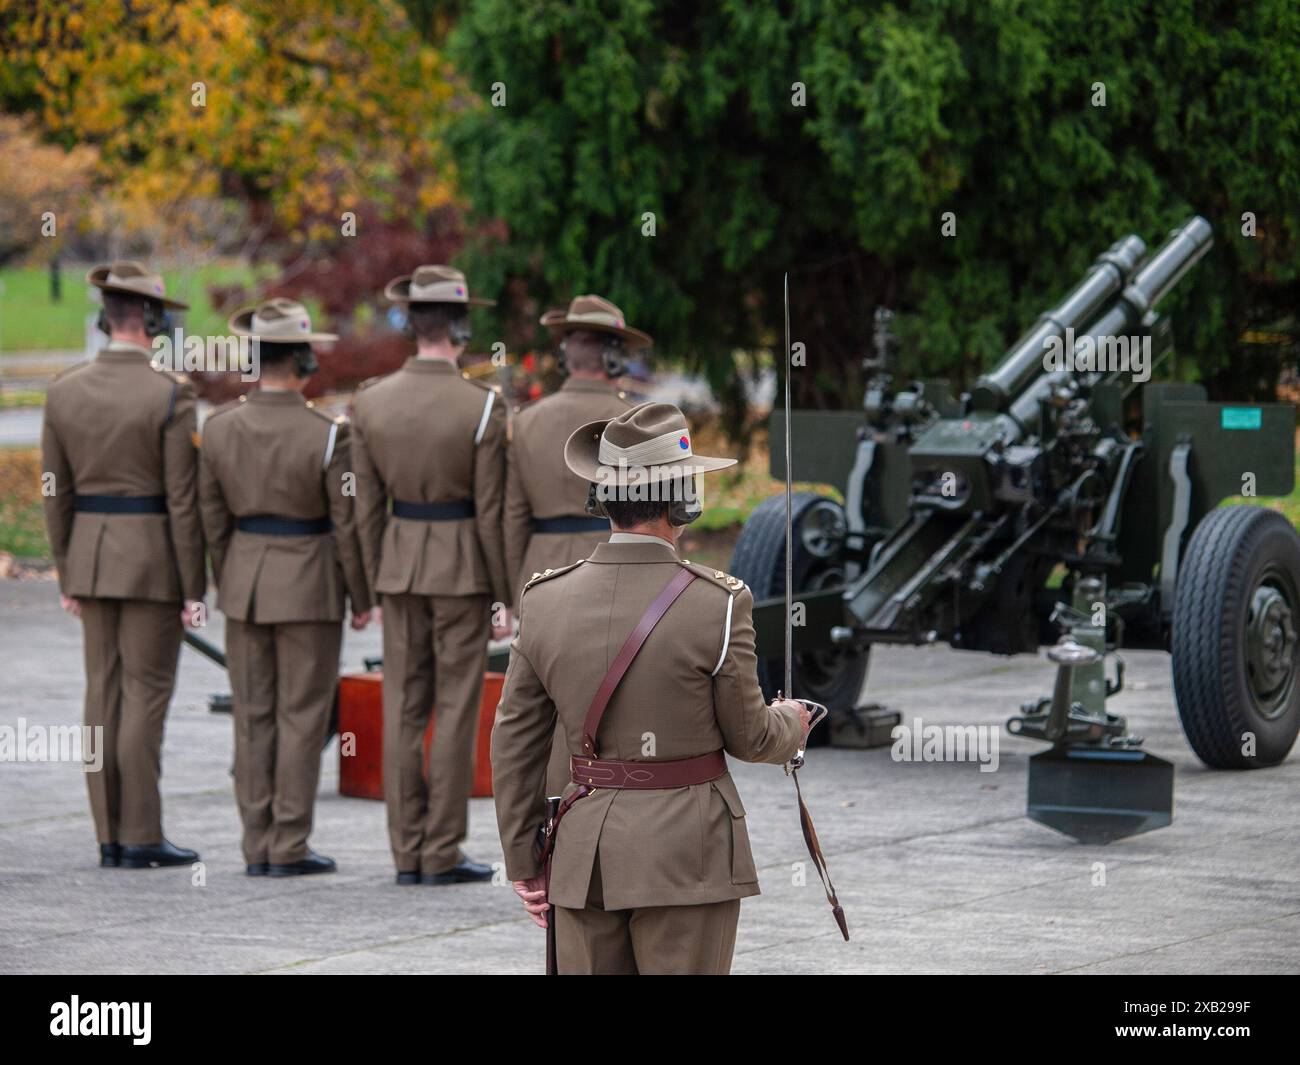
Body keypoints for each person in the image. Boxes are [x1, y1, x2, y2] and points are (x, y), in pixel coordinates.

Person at [491, 402, 810, 974]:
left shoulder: (544, 599)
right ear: (682, 498)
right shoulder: (719, 602)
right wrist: (794, 724)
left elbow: (514, 739)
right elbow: (751, 736)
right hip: (687, 857)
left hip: (582, 856)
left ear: (602, 498)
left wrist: (523, 857)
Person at [198, 298, 372, 877]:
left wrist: (230, 576)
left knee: (253, 715)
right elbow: (346, 524)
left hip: (246, 581)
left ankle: (256, 844)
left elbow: (212, 520)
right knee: (302, 715)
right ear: (301, 360)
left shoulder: (219, 427)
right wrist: (361, 595)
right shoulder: (327, 434)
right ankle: (288, 843)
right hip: (311, 587)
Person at [41, 261, 206, 870]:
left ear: (105, 320)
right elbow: (182, 500)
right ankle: (140, 833)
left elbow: (53, 491)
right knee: (145, 693)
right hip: (151, 561)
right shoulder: (170, 392)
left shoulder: (64, 390)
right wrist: (195, 583)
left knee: (100, 694)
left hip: (88, 555)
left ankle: (108, 833)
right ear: (154, 320)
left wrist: (67, 570)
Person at [351, 265, 510, 885]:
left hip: (397, 563)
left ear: (411, 325)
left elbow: (364, 509)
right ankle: (441, 850)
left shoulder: (369, 400)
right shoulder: (483, 406)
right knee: (455, 706)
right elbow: (492, 511)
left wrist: (368, 588)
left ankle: (406, 852)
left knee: (403, 707)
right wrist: (503, 592)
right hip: (463, 567)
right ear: (461, 327)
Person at [503, 295, 641, 605]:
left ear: (566, 356)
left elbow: (513, 517)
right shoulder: (634, 421)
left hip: (540, 573)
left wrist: (514, 591)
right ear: (613, 357)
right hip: (616, 572)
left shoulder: (525, 420)